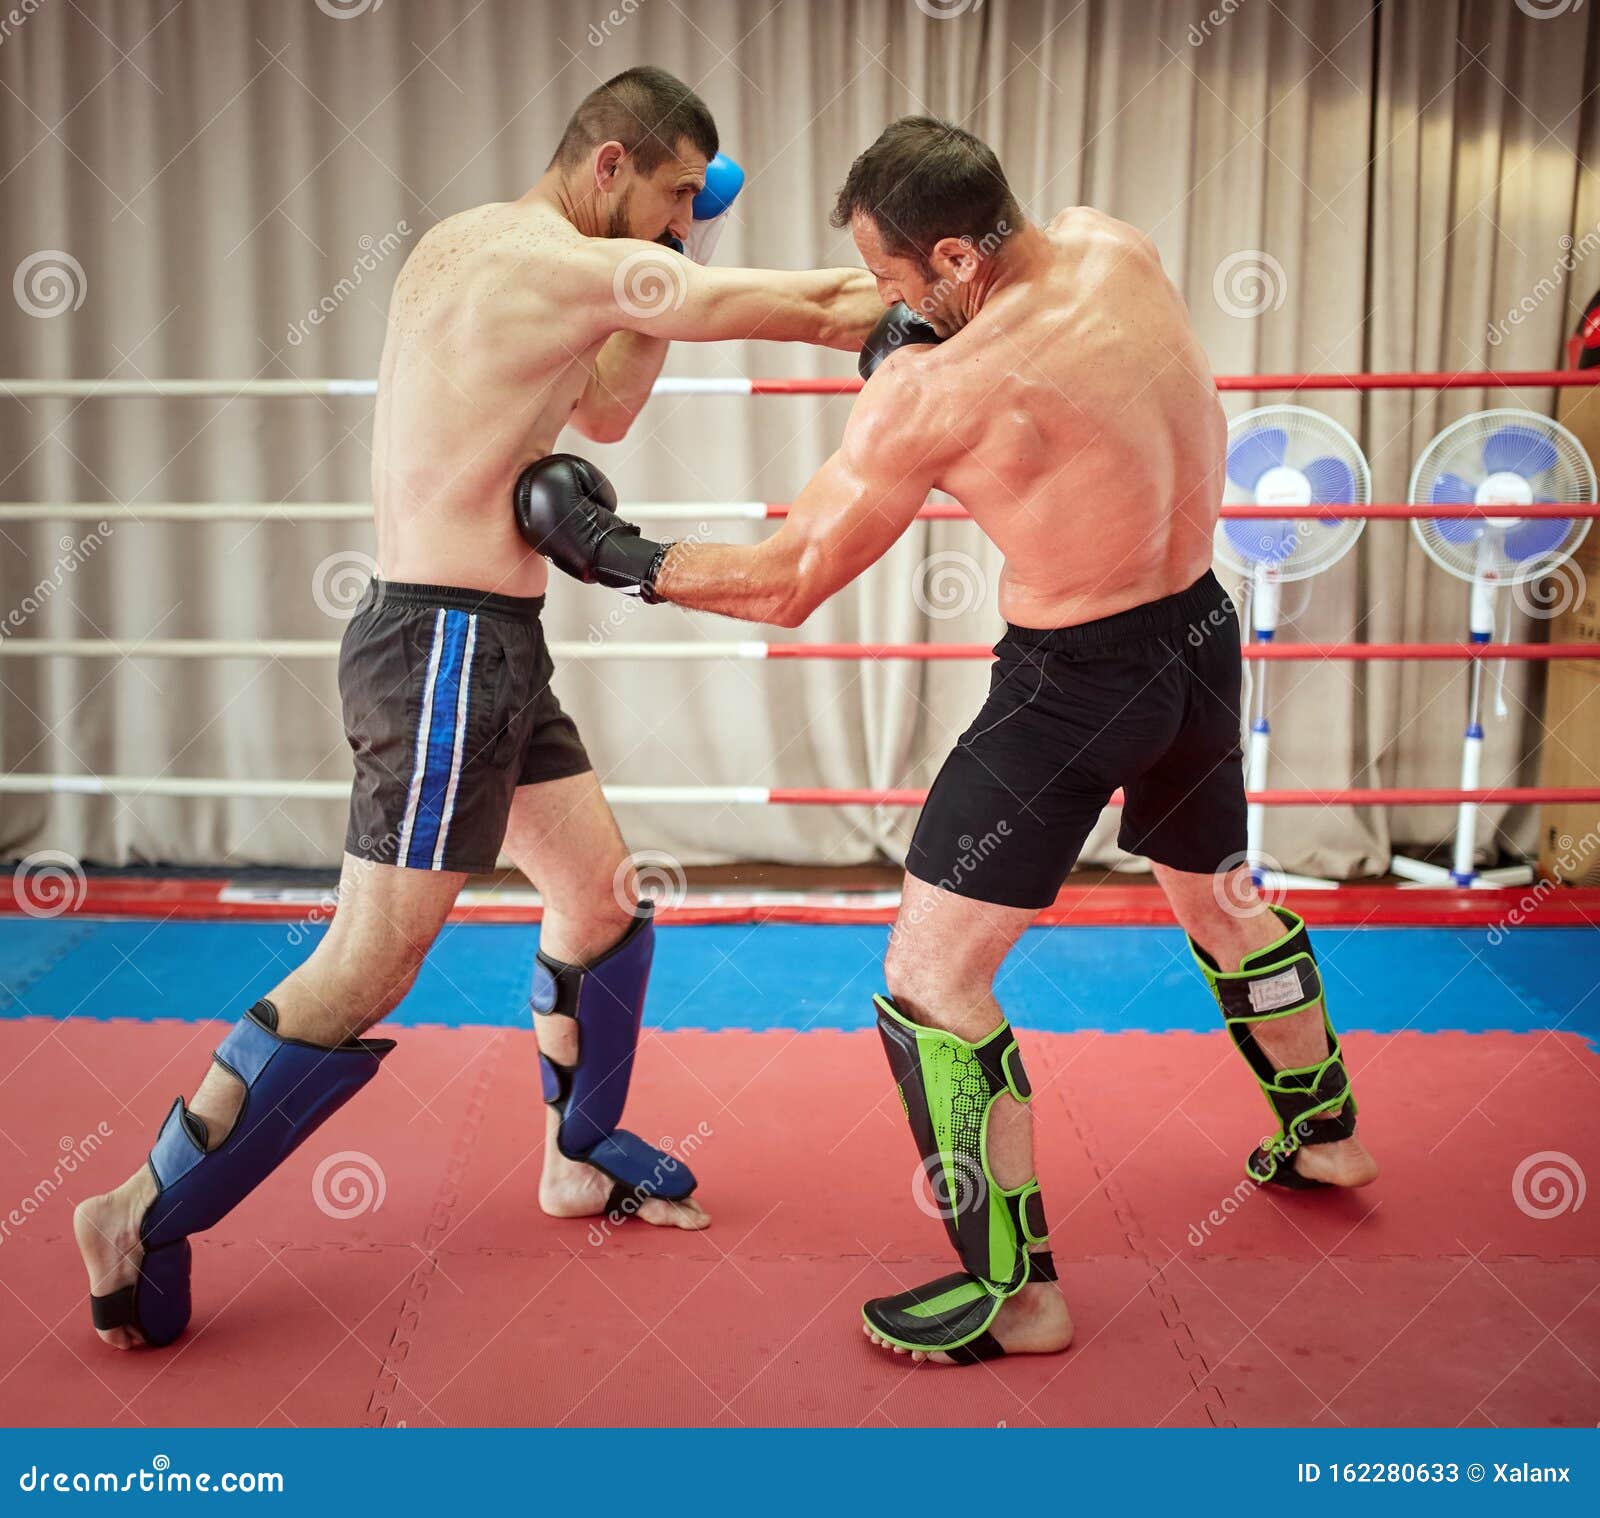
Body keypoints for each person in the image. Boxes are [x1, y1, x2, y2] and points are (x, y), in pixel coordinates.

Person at [515, 115, 1381, 1367]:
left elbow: (789, 577)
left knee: (932, 983)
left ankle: (1015, 1291)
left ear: (959, 261)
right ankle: (1325, 1129)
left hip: (1069, 686)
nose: (884, 305)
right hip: (1199, 635)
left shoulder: (939, 391)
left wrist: (618, 556)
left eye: (891, 278)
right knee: (1220, 902)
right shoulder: (1113, 247)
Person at [74, 66, 882, 1351]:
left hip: (482, 645)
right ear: (609, 164)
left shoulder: (477, 251)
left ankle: (580, 1153)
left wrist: (673, 252)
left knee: (600, 898)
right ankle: (137, 1210)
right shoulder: (543, 262)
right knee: (370, 963)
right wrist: (942, 299)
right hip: (444, 653)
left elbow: (607, 399)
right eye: (673, 193)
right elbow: (813, 305)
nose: (681, 223)